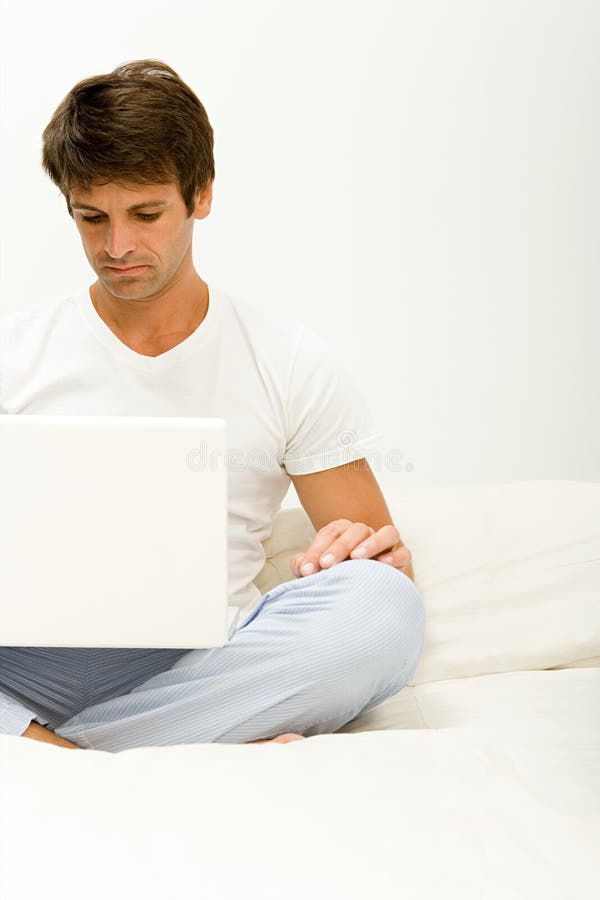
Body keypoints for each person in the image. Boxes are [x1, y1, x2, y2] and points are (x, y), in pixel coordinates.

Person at [0, 59, 425, 752]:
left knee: (386, 609)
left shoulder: (287, 360)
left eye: (146, 214)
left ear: (200, 196)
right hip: (29, 659)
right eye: (90, 217)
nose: (117, 247)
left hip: (200, 661)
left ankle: (55, 751)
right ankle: (181, 744)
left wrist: (369, 555)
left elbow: (385, 563)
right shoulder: (12, 353)